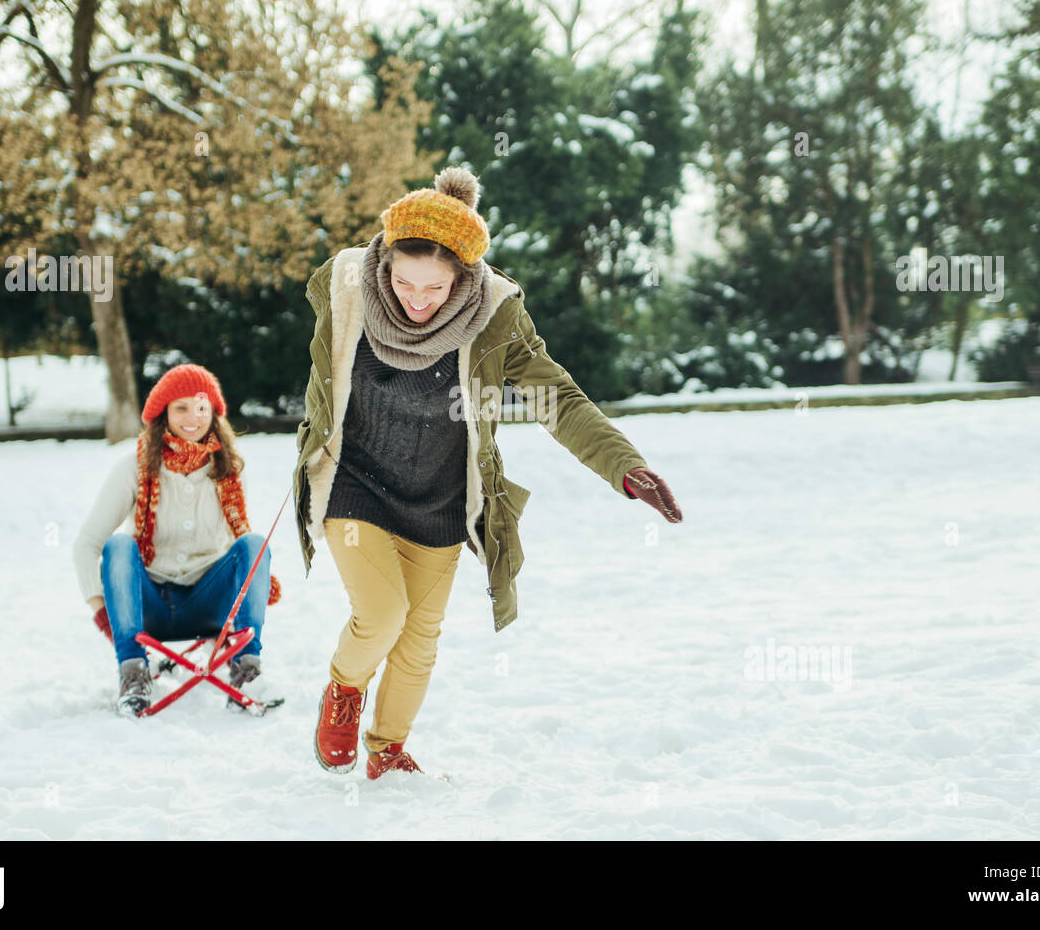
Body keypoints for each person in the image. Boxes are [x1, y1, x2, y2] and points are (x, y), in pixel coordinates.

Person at [293, 166, 683, 778]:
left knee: (421, 638)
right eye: (403, 282)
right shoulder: (347, 290)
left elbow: (559, 399)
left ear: (466, 277)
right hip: (355, 482)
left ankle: (387, 749)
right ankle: (344, 688)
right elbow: (323, 377)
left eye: (435, 289)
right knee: (382, 612)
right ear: (383, 263)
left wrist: (625, 467)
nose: (417, 301)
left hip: (443, 496)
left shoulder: (495, 316)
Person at [73, 363, 281, 716]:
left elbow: (242, 546)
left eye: (200, 408)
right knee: (118, 546)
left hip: (209, 604)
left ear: (213, 413)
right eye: (180, 408)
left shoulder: (228, 470)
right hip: (148, 606)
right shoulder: (133, 468)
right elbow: (86, 545)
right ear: (163, 414)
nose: (191, 418)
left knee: (255, 544)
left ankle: (246, 668)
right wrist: (103, 614)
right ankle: (134, 673)